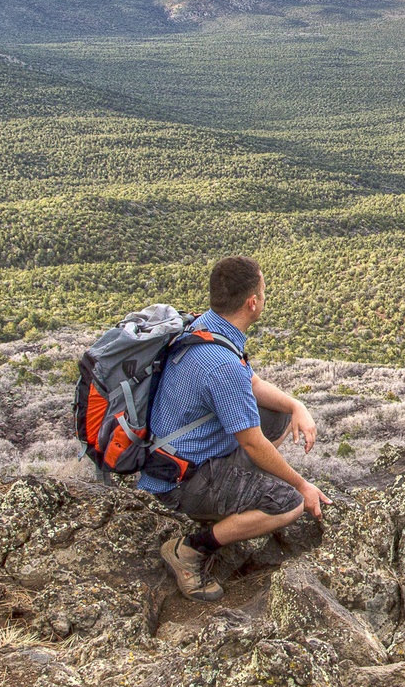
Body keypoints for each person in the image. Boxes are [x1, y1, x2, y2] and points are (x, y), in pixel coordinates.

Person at [140, 255, 333, 601]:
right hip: (181, 481)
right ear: (252, 303)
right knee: (288, 504)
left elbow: (252, 383)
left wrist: (295, 406)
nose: (265, 296)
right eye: (264, 290)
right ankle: (190, 549)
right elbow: (254, 444)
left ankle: (240, 493)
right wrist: (302, 485)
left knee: (276, 415)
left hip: (180, 453)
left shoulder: (205, 327)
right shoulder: (221, 365)